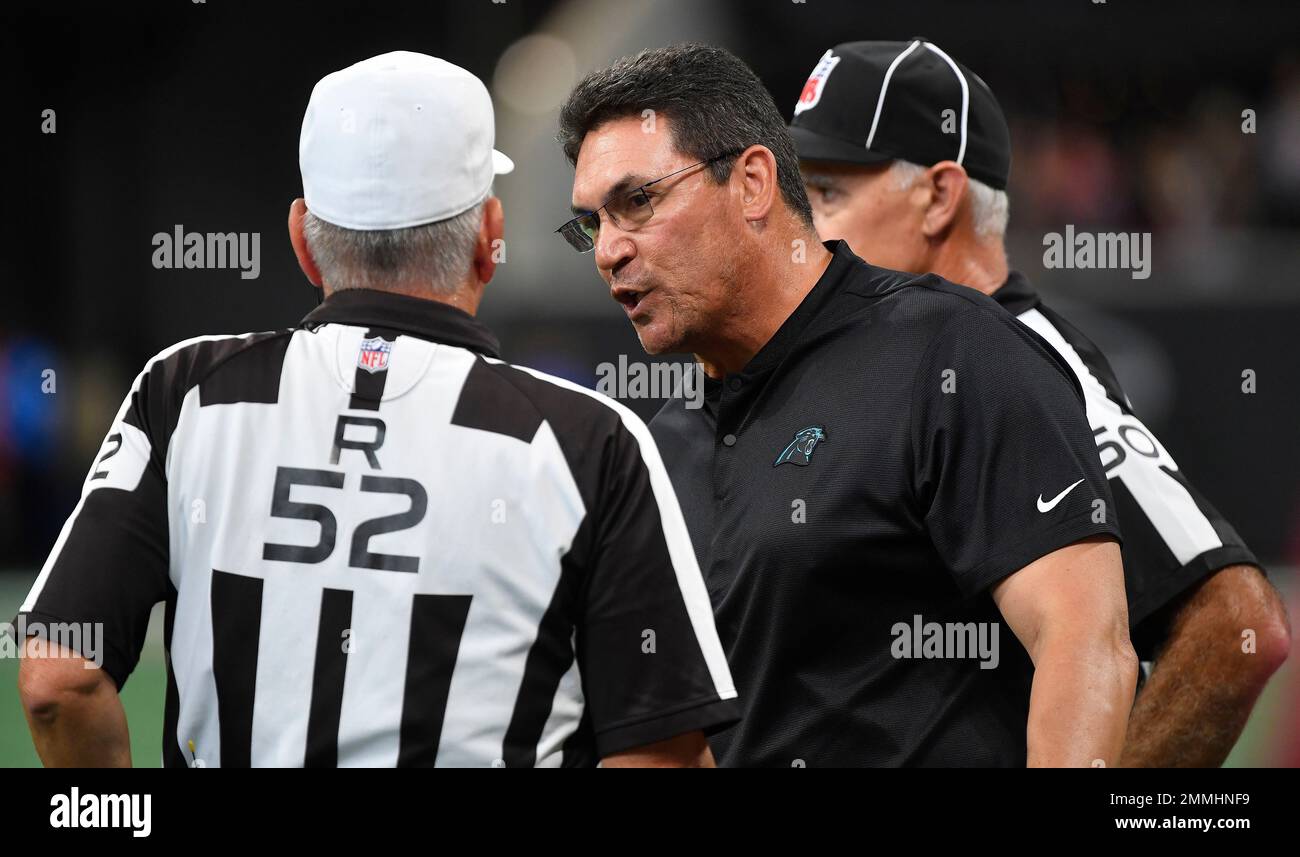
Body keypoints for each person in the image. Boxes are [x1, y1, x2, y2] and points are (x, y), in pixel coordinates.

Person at [16, 50, 737, 768]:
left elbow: (56, 677)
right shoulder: (588, 439)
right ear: (491, 238)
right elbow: (660, 753)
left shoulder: (187, 391)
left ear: (305, 241)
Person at [556, 43, 1137, 767]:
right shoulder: (657, 452)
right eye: (592, 223)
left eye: (637, 202)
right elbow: (669, 747)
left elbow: (1084, 639)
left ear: (753, 182)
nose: (608, 248)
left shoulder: (951, 352)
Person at [788, 38, 1290, 766]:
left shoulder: (1029, 360)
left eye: (831, 193)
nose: (807, 229)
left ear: (938, 196)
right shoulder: (900, 363)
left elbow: (1236, 626)